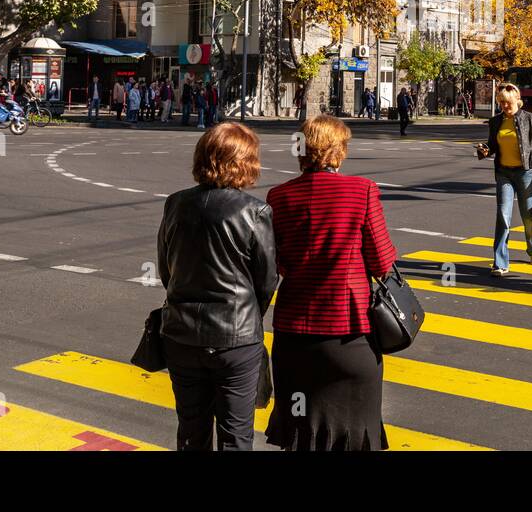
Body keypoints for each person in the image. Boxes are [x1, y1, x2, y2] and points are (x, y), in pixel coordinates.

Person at [265, 116, 398, 451]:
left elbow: (274, 264)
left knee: (300, 433)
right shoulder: (362, 190)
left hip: (294, 337)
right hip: (349, 335)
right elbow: (383, 264)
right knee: (354, 436)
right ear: (338, 151)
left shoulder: (278, 196)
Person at [156, 122, 276, 450]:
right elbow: (265, 282)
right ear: (245, 162)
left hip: (182, 335)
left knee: (191, 432)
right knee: (236, 437)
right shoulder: (255, 211)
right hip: (236, 340)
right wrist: (248, 315)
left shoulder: (176, 203)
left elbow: (167, 271)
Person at [476, 83, 532, 275]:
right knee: (503, 215)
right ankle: (500, 262)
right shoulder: (496, 121)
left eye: (508, 103)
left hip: (526, 173)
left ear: (518, 101)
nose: (505, 107)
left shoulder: (530, 119)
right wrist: (485, 150)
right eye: (501, 103)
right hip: (504, 173)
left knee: (527, 215)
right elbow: (493, 145)